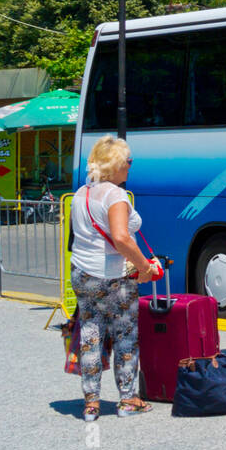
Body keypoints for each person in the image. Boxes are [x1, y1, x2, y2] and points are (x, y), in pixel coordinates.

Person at [69, 135, 162, 422]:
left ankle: (91, 403)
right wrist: (144, 267)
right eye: (129, 162)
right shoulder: (115, 196)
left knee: (90, 334)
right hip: (113, 276)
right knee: (124, 336)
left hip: (82, 273)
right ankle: (128, 399)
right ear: (118, 164)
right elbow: (121, 237)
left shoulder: (81, 193)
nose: (131, 167)